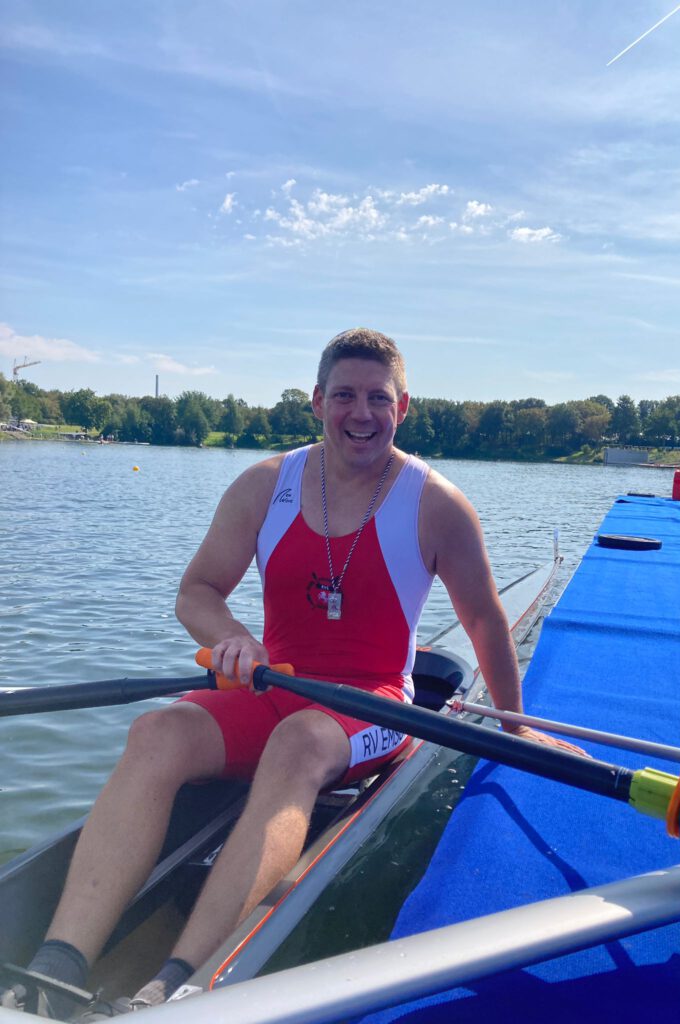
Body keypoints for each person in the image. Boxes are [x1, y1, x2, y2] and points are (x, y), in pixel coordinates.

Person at [7, 328, 582, 1020]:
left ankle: (170, 986)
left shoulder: (437, 504)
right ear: (316, 401)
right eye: (344, 395)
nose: (360, 413)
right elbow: (197, 593)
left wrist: (516, 727)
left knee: (301, 743)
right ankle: (49, 969)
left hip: (374, 706)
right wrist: (233, 640)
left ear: (406, 407)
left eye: (378, 398)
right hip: (275, 686)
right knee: (157, 730)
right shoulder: (263, 485)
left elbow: (488, 624)